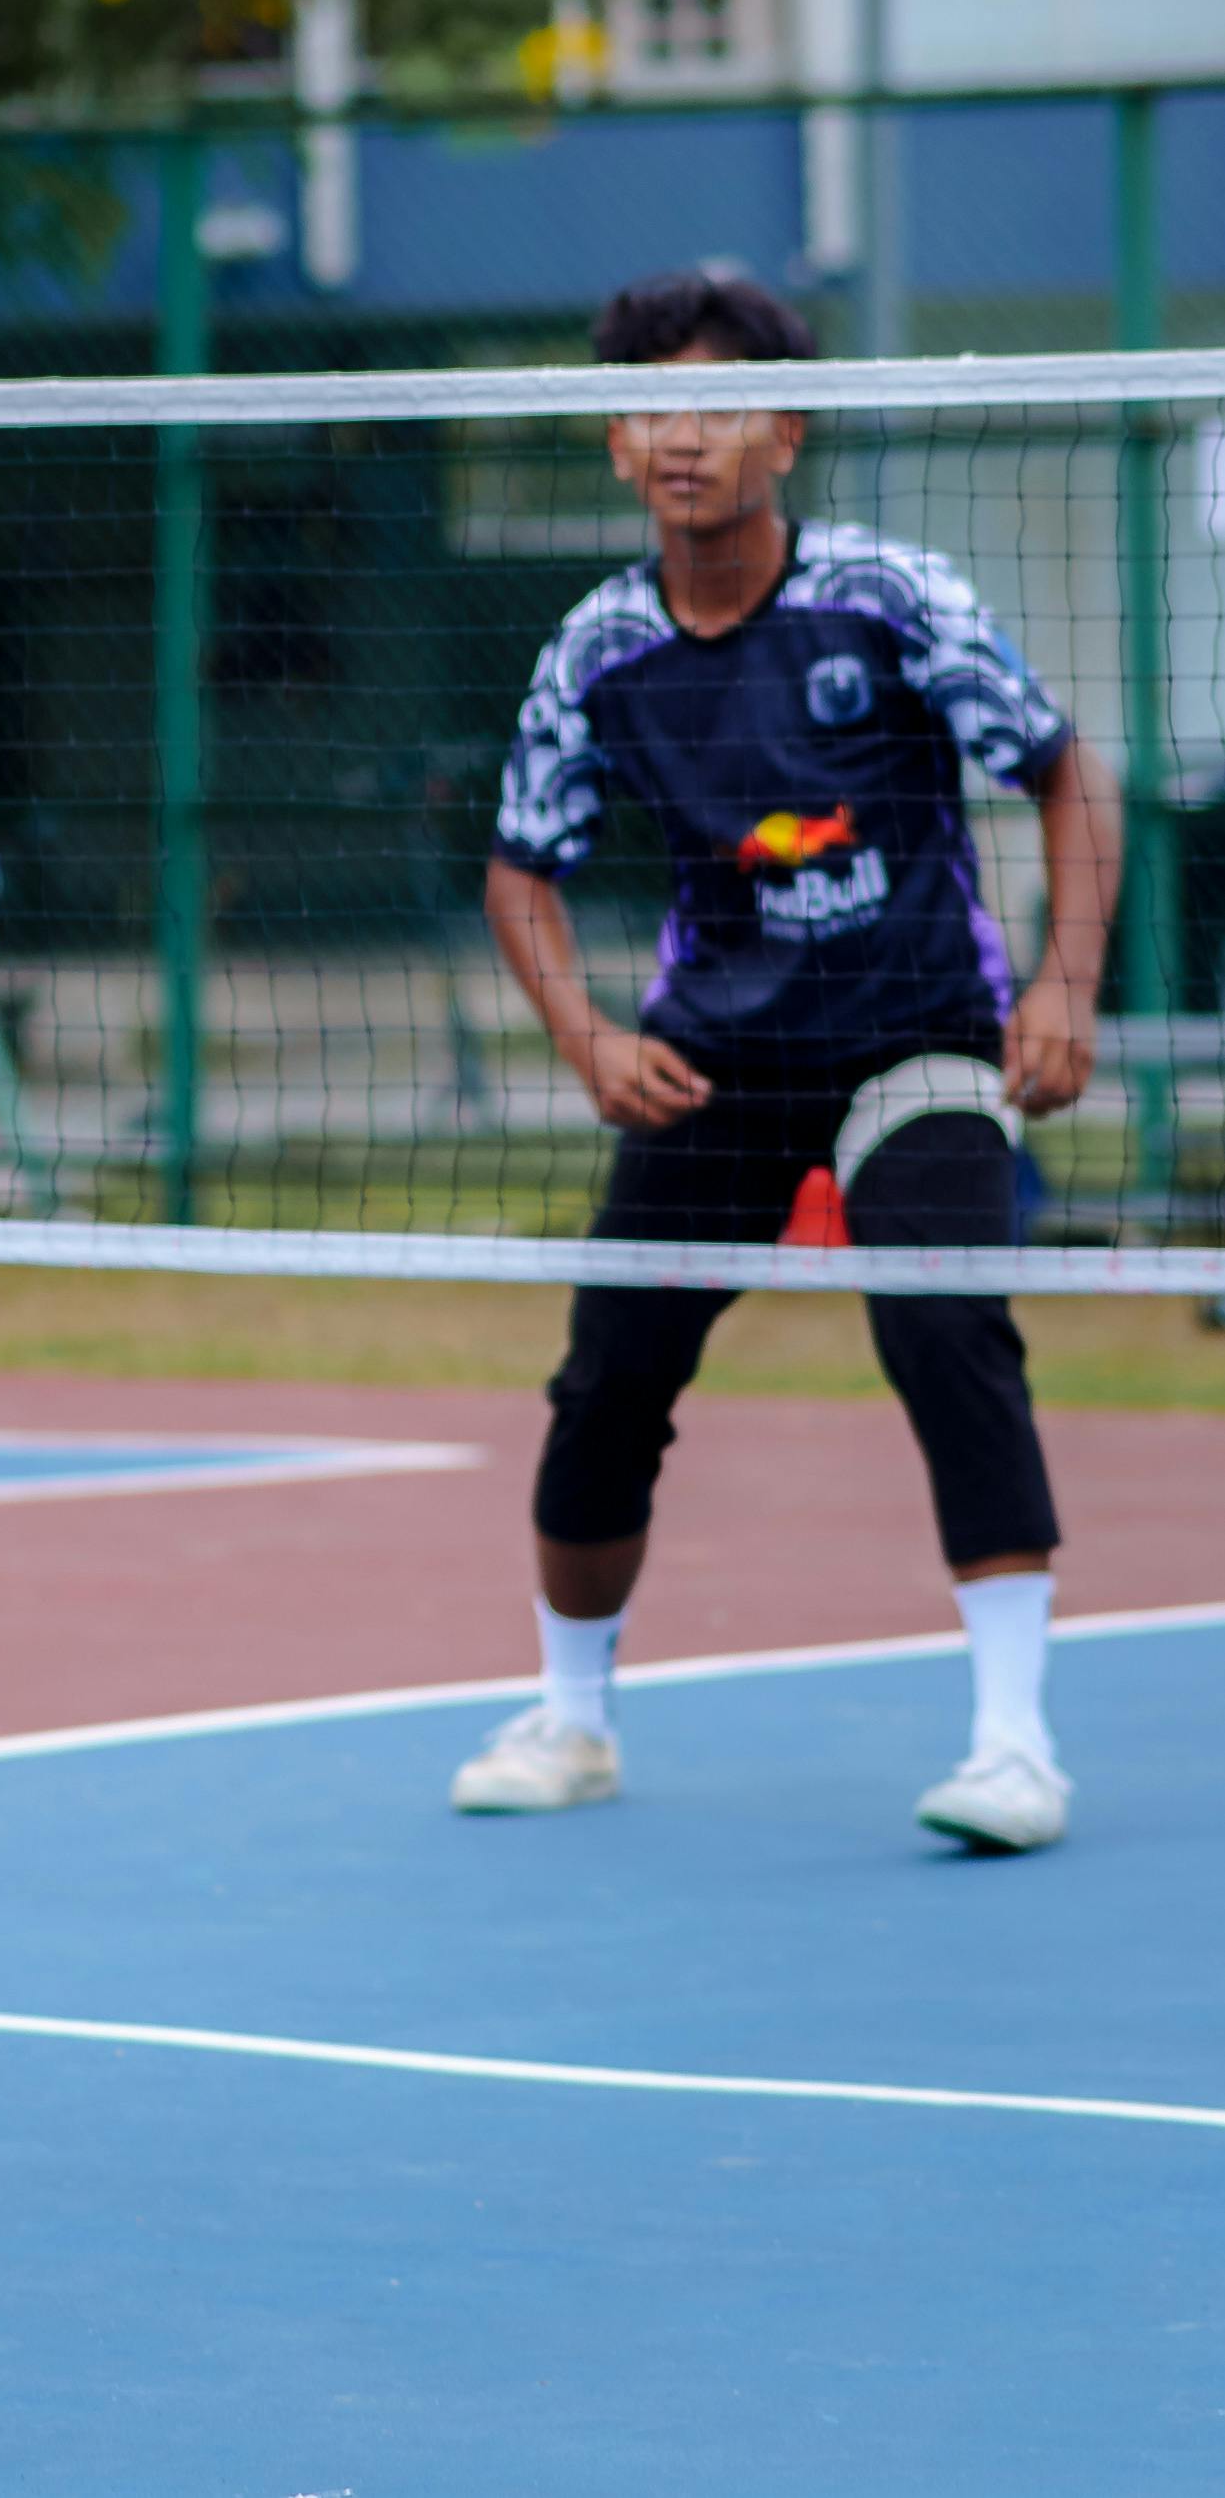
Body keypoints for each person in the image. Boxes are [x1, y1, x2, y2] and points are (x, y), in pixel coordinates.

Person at [451, 270, 1121, 1854]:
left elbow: (1061, 769)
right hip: (714, 1068)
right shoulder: (596, 646)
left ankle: (1014, 1745)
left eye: (717, 404)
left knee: (943, 1322)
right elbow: (517, 871)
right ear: (610, 445)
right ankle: (571, 1715)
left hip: (913, 1041)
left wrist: (1064, 985)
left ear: (786, 430)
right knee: (608, 1375)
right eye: (647, 411)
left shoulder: (885, 596)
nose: (681, 439)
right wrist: (587, 1036)